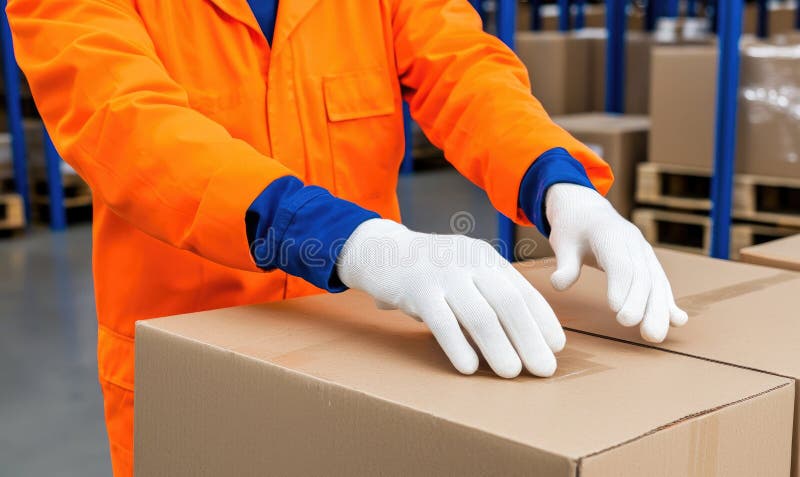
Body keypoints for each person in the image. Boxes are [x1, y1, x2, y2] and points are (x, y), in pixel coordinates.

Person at [7, 1, 687, 475]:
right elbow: (125, 126)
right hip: (192, 369)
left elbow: (460, 67)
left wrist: (556, 181)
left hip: (362, 356)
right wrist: (356, 243)